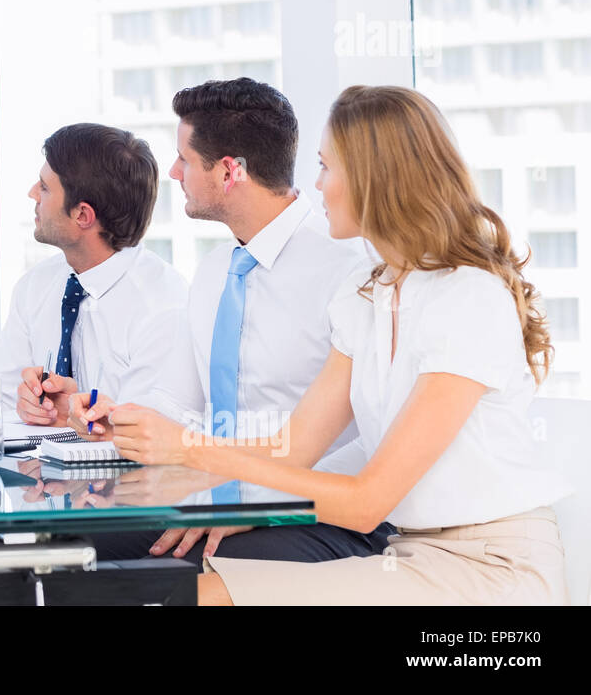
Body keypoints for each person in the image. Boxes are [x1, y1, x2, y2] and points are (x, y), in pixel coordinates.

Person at [73, 86, 571, 605]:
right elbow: (292, 449)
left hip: (492, 566)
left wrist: (191, 449)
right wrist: (249, 504)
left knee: (204, 598)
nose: (316, 185)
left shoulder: (467, 297)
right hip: (411, 551)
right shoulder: (367, 297)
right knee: (192, 591)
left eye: (327, 168)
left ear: (375, 179)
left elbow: (366, 504)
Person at [92, 78, 393, 564]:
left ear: (230, 171)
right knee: (76, 549)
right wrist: (113, 419)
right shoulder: (215, 271)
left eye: (184, 160)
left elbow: (370, 446)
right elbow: (178, 403)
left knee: (180, 578)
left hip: (318, 514)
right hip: (214, 501)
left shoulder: (351, 272)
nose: (172, 172)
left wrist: (266, 507)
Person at [0, 123, 201, 426]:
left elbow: (147, 432)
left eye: (43, 187)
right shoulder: (36, 285)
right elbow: (1, 400)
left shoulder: (163, 304)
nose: (32, 194)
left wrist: (74, 412)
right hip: (38, 470)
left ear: (82, 215)